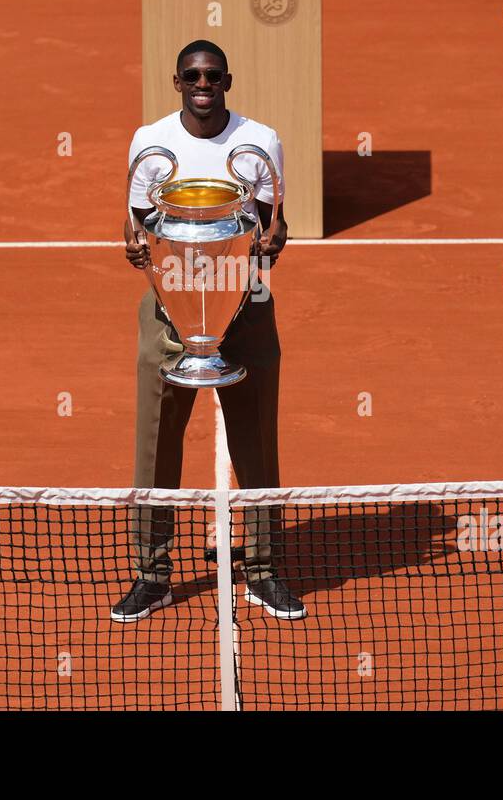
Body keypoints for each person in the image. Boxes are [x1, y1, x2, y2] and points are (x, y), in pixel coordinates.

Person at [111, 39, 305, 623]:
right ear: (177, 82)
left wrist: (275, 241)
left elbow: (273, 221)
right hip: (170, 302)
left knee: (258, 442)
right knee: (155, 442)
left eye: (214, 76)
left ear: (227, 81)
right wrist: (132, 244)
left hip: (244, 300)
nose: (204, 84)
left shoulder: (260, 140)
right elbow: (138, 219)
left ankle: (264, 571)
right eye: (193, 76)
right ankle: (152, 574)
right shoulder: (151, 140)